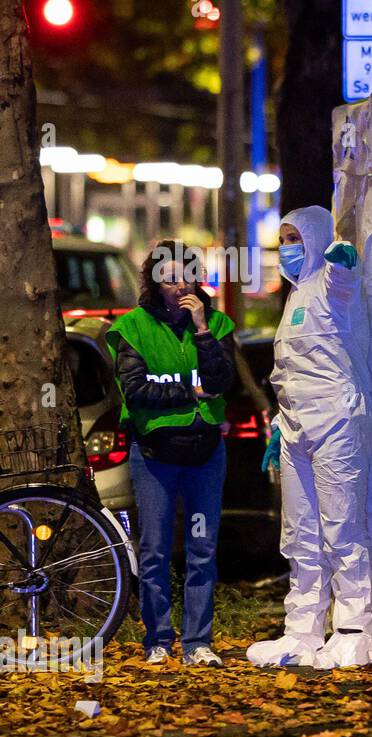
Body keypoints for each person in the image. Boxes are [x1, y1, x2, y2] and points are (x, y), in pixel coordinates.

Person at [247, 206, 372, 669]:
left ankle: (353, 630)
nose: (286, 249)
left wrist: (343, 259)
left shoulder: (327, 284)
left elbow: (346, 277)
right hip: (296, 429)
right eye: (281, 240)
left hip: (336, 424)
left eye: (293, 238)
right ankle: (301, 631)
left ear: (315, 238)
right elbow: (287, 373)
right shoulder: (295, 296)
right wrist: (278, 430)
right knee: (299, 534)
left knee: (342, 530)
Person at [106, 240, 236, 667]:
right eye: (168, 275)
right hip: (157, 457)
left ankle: (198, 641)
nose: (178, 283)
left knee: (202, 548)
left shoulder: (216, 323)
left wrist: (201, 329)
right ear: (153, 279)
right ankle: (157, 640)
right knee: (156, 551)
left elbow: (220, 381)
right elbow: (137, 391)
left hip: (205, 457)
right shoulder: (132, 328)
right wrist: (191, 391)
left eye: (185, 274)